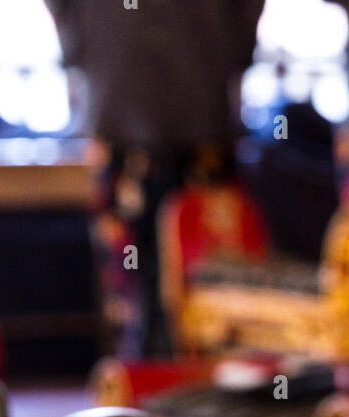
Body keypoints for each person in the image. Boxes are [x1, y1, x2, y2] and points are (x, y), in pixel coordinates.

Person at [45, 0, 263, 356]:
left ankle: (202, 390)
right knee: (128, 276)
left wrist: (234, 46)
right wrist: (79, 43)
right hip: (117, 98)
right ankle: (134, 381)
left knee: (211, 269)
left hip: (202, 102)